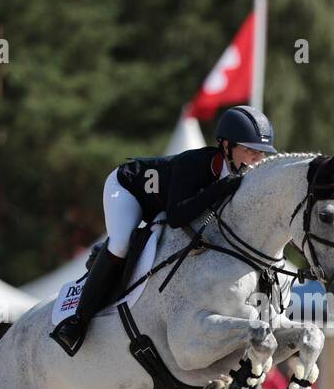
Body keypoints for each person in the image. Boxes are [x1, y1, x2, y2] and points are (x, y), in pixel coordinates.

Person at [50, 105, 278, 356]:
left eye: (262, 153)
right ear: (226, 146)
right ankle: (77, 321)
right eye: (250, 151)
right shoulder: (195, 164)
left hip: (163, 206)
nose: (258, 160)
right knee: (121, 244)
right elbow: (177, 216)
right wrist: (222, 188)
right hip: (129, 191)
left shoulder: (239, 175)